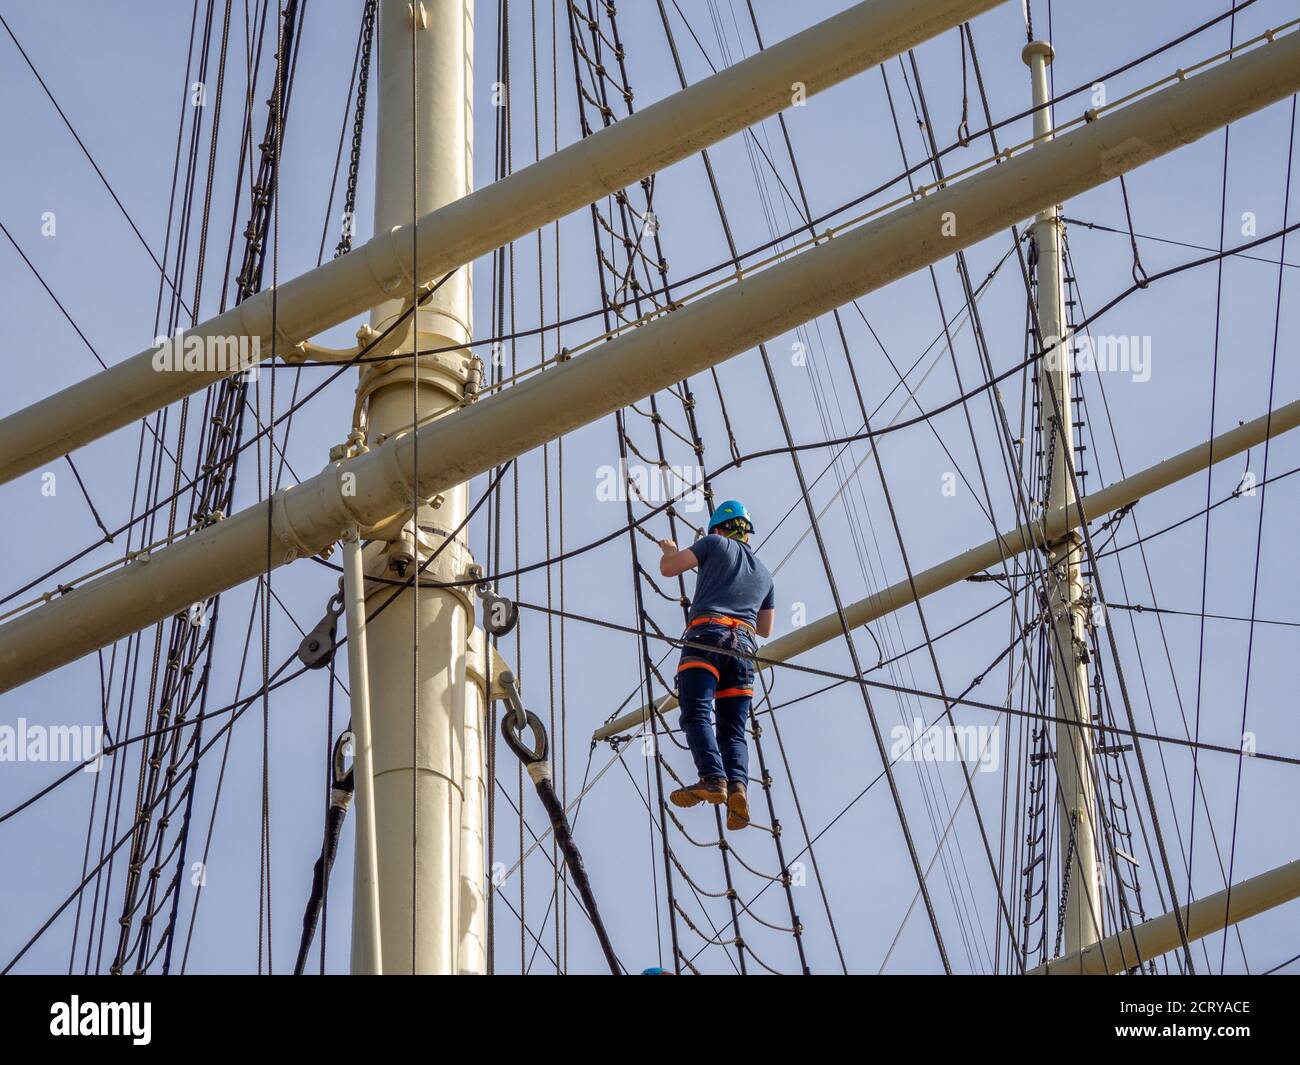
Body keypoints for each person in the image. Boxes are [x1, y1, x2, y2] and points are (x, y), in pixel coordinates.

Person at [658, 500, 774, 830]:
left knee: (695, 712)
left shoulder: (713, 543)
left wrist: (669, 550)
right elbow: (765, 628)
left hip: (707, 636)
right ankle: (739, 788)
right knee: (734, 730)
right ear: (746, 533)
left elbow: (669, 569)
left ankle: (713, 778)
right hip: (744, 650)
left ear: (719, 528)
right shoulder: (765, 574)